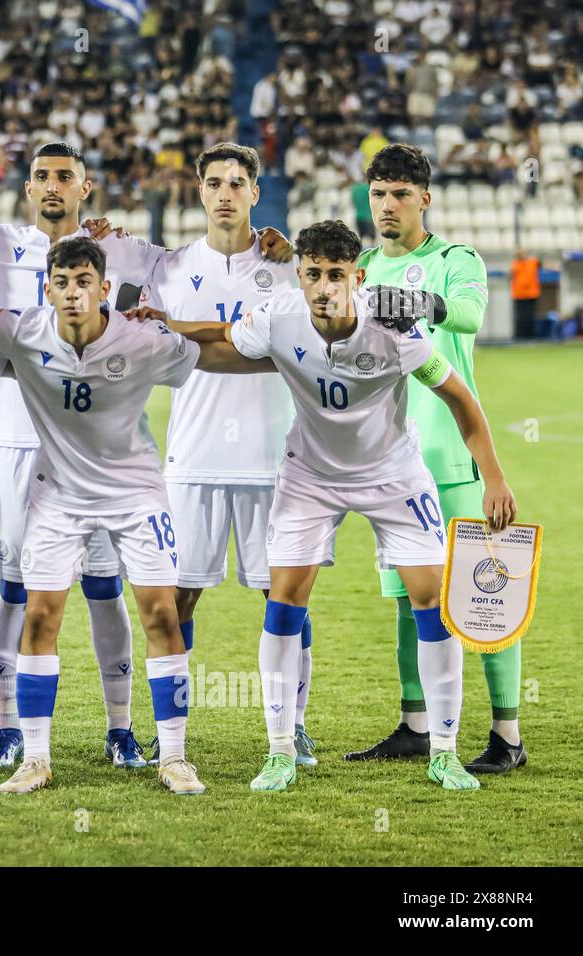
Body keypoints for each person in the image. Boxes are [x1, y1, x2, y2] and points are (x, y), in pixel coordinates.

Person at [0, 141, 292, 770]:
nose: (53, 187)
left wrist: (276, 245)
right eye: (42, 177)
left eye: (66, 178)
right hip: (20, 437)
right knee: (19, 588)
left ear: (87, 188)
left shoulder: (125, 248)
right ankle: (10, 730)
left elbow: (200, 263)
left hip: (108, 450)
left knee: (107, 586)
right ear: (27, 188)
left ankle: (122, 729)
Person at [171, 219, 515, 792]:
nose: (324, 286)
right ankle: (281, 750)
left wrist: (495, 479)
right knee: (284, 599)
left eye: (336, 275)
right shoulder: (278, 316)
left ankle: (445, 751)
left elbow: (461, 400)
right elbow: (218, 340)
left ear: (358, 277)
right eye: (312, 274)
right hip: (310, 475)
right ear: (298, 275)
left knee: (432, 599)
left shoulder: (395, 329)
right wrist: (155, 325)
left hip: (393, 475)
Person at [351, 144, 526, 775]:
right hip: (388, 468)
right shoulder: (362, 265)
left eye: (400, 193)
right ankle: (415, 725)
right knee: (410, 598)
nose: (388, 205)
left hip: (452, 461)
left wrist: (419, 304)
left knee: (485, 594)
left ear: (424, 198)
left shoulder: (455, 260)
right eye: (378, 193)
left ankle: (507, 734)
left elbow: (474, 317)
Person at [140, 142, 315, 767]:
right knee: (177, 596)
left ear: (255, 193)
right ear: (198, 190)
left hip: (276, 460)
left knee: (287, 597)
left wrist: (290, 254)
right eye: (213, 182)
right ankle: (170, 732)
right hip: (192, 456)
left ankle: (293, 726)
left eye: (236, 183)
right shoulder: (168, 269)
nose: (224, 193)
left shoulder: (291, 269)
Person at [510, 249, 540, 341]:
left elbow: (545, 264)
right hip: (519, 295)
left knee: (530, 318)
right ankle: (519, 337)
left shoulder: (533, 262)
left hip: (531, 295)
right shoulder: (515, 264)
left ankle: (530, 337)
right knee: (520, 318)